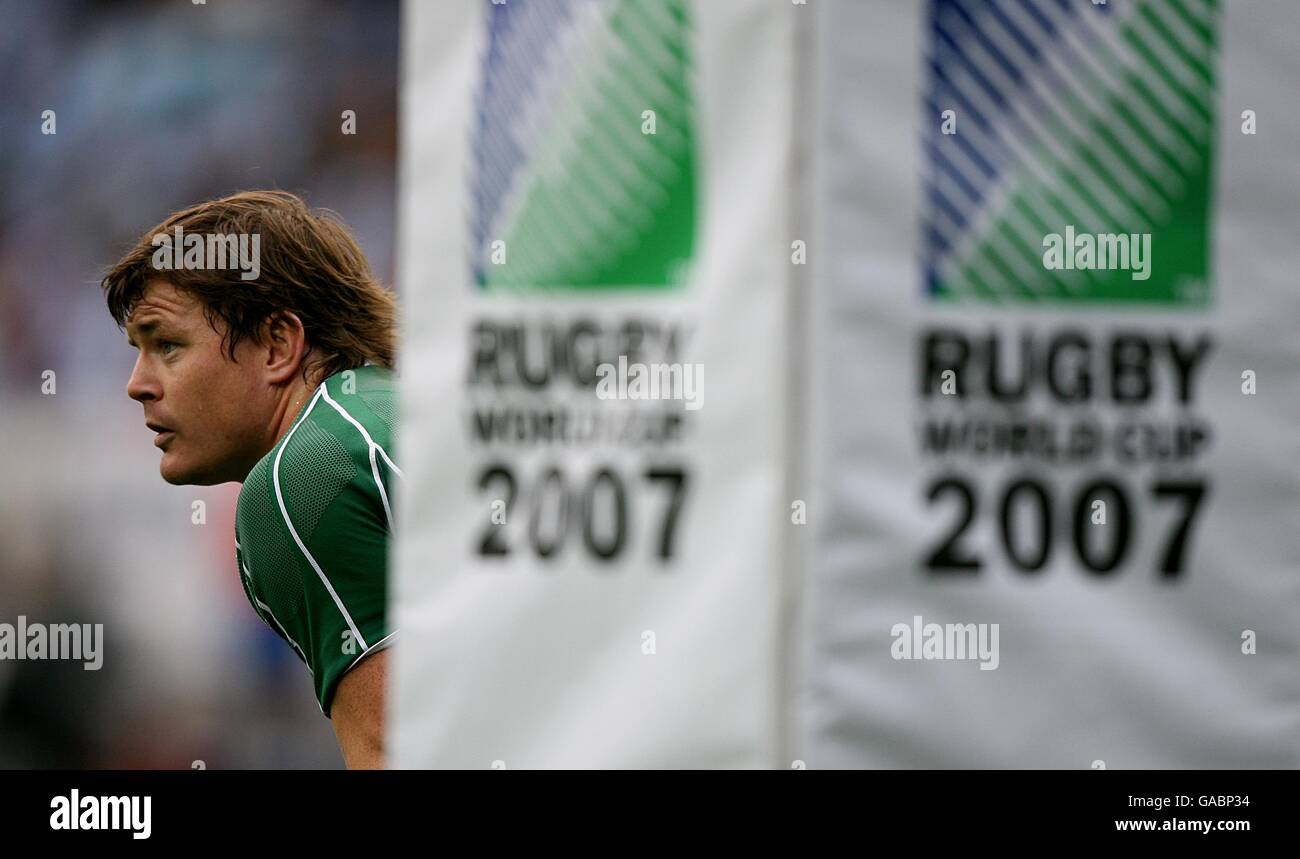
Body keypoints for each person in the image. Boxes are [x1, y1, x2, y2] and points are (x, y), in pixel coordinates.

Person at [101, 190, 399, 768]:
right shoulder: (386, 405)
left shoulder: (303, 476)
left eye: (167, 345)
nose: (137, 383)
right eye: (138, 351)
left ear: (278, 345)